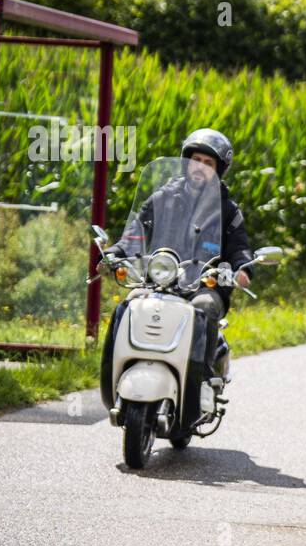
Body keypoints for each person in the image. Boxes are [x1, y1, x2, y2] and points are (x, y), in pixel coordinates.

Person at [103, 129, 255, 379]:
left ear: (218, 169)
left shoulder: (227, 209)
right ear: (186, 162)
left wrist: (243, 268)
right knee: (131, 302)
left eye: (208, 163)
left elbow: (239, 247)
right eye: (196, 160)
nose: (200, 167)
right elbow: (136, 234)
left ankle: (199, 379)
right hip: (160, 283)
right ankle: (117, 372)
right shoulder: (162, 198)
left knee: (203, 309)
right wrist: (115, 253)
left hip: (206, 286)